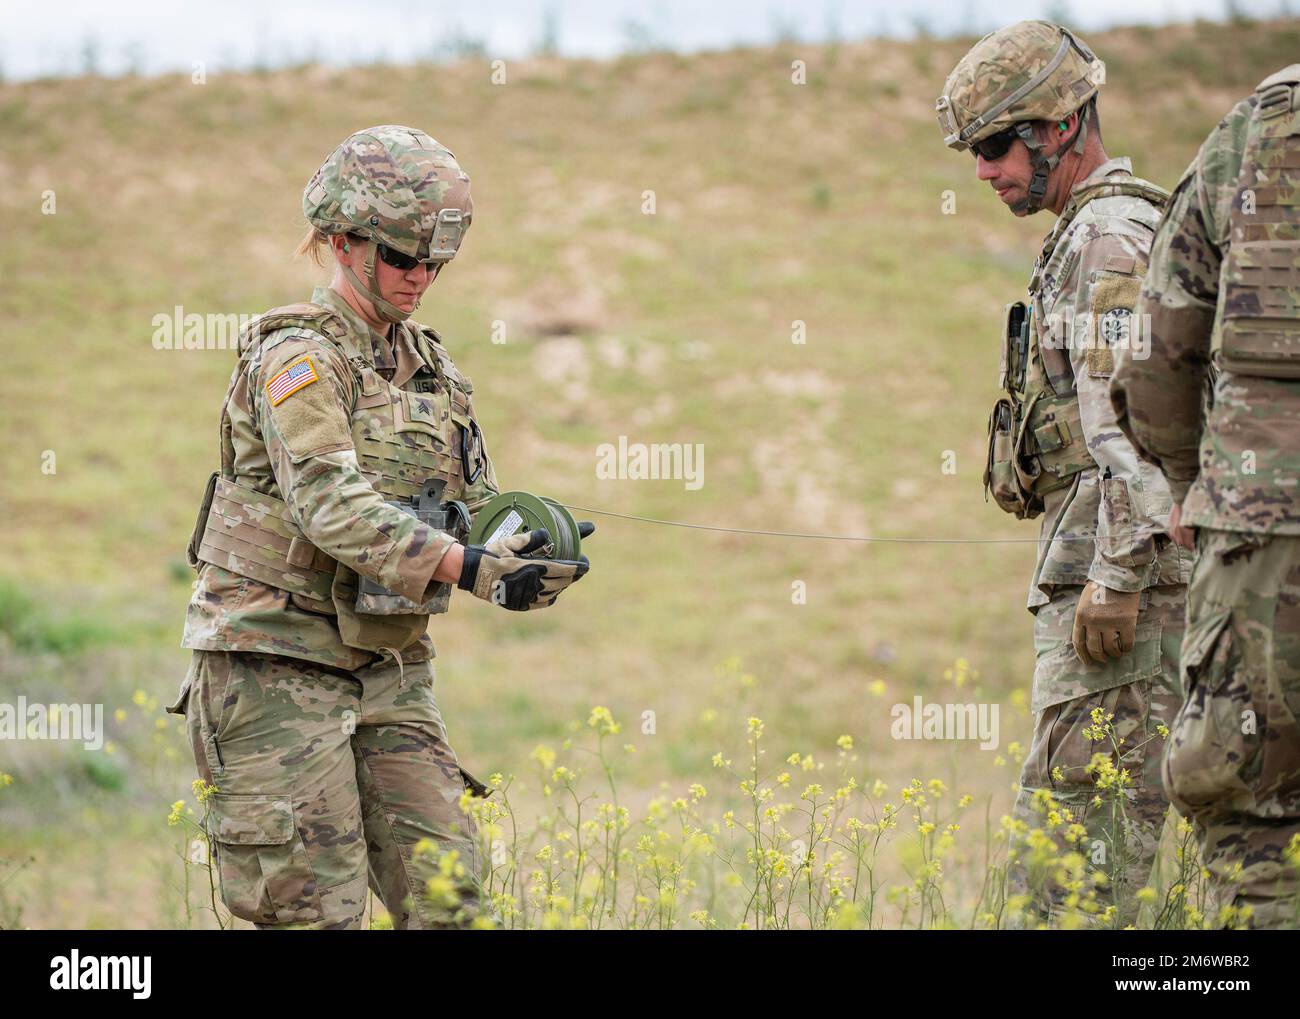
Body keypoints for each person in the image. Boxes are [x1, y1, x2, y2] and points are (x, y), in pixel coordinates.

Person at [166, 125, 591, 929]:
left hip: (389, 666)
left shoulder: (435, 372)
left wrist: (527, 556)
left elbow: (474, 511)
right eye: (402, 256)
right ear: (342, 241)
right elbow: (330, 504)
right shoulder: (297, 359)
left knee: (450, 903)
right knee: (314, 915)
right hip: (276, 663)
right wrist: (464, 565)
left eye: (435, 261)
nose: (420, 277)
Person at [937, 22, 1190, 924]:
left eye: (998, 144)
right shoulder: (1088, 234)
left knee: (1072, 881)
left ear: (1062, 127)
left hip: (1123, 593)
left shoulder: (1109, 243)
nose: (984, 169)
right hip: (1099, 578)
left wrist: (1117, 577)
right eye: (976, 149)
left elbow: (1134, 426)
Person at [1110, 65, 1300, 928]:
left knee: (1259, 831)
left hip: (1262, 541)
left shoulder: (1260, 127)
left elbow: (1156, 357)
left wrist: (1197, 486)